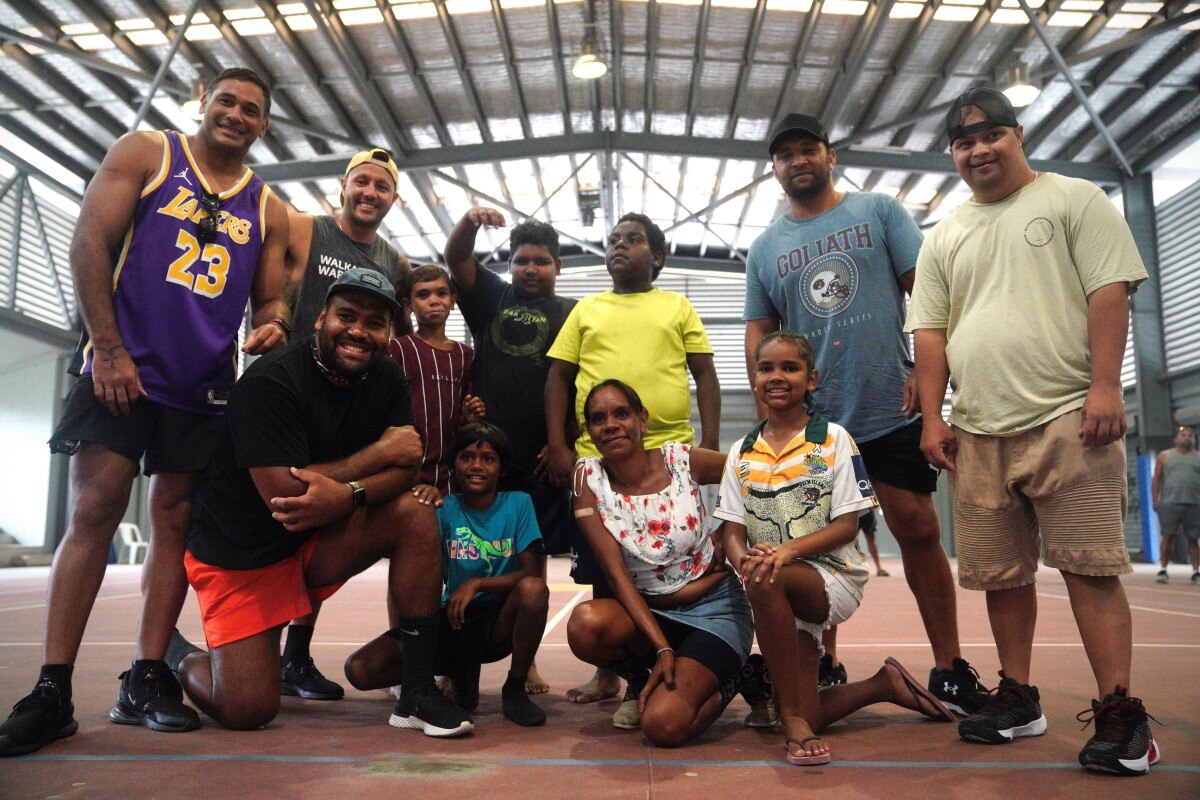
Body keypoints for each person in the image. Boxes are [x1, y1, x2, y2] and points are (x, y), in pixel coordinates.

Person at [0, 67, 291, 756]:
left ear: (264, 126)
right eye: (226, 101)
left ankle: (145, 674)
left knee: (172, 524)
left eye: (251, 109)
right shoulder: (147, 153)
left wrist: (274, 323)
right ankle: (52, 687)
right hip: (120, 371)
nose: (236, 115)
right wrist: (107, 347)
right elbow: (88, 244)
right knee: (94, 512)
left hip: (203, 388)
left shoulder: (269, 206)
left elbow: (270, 298)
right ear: (203, 104)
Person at [906, 87, 1158, 775]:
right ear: (954, 155)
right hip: (979, 429)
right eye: (963, 142)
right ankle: (1018, 698)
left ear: (1018, 135)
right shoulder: (947, 234)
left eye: (991, 134)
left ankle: (1119, 711)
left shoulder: (1074, 200)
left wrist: (1105, 386)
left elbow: (1109, 291)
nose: (978, 149)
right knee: (1000, 576)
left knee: (1090, 568)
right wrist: (933, 416)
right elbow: (930, 331)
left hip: (1067, 417)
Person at [742, 112, 988, 716]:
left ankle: (949, 667)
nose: (798, 160)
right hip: (813, 423)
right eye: (785, 155)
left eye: (808, 150)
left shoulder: (879, 211)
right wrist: (770, 413)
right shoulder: (766, 248)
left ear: (830, 156)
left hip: (886, 404)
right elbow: (758, 333)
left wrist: (930, 379)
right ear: (775, 170)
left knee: (919, 530)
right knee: (803, 542)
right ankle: (823, 664)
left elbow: (930, 296)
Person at [171, 267, 472, 738]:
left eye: (374, 322)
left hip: (314, 543)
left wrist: (347, 495)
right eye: (346, 316)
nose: (358, 331)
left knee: (415, 512)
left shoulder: (388, 378)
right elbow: (286, 497)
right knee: (248, 709)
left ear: (388, 332)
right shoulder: (272, 381)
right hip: (244, 555)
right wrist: (374, 458)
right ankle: (181, 655)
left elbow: (408, 467)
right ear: (319, 318)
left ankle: (416, 691)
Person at [715, 331, 953, 765]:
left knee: (768, 581)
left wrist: (783, 554)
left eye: (790, 368)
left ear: (812, 378)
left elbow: (846, 527)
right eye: (766, 368)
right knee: (812, 709)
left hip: (830, 577)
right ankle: (883, 685)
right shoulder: (740, 453)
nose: (777, 376)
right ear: (754, 379)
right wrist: (742, 560)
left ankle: (789, 718)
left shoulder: (835, 440)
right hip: (772, 584)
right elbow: (730, 529)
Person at [546, 213, 721, 718]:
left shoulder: (677, 304)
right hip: (599, 459)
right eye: (614, 240)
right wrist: (560, 446)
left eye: (633, 239)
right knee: (609, 566)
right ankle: (617, 675)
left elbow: (704, 373)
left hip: (668, 450)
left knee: (671, 558)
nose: (619, 246)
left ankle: (688, 645)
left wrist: (709, 441)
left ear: (658, 257)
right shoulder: (586, 309)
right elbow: (558, 378)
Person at [277, 148, 412, 703]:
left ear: (393, 199)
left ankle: (295, 655)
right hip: (288, 394)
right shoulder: (303, 229)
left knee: (323, 525)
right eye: (362, 182)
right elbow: (267, 284)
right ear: (343, 185)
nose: (370, 193)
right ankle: (240, 640)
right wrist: (271, 323)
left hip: (344, 404)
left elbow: (388, 332)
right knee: (274, 518)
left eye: (381, 186)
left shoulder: (395, 261)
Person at [565, 380, 768, 746]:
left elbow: (752, 473)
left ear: (642, 420)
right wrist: (661, 647)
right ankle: (643, 679)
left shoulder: (680, 460)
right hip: (650, 613)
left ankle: (744, 675)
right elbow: (615, 574)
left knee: (664, 727)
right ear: (590, 433)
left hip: (714, 609)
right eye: (598, 419)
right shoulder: (588, 479)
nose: (610, 424)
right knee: (585, 624)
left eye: (621, 413)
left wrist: (727, 529)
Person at [443, 208, 577, 696]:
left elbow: (578, 384)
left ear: (557, 266)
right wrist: (471, 221)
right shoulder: (491, 298)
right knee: (466, 556)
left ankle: (528, 662)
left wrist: (561, 442)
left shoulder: (572, 313)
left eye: (541, 261)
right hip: (485, 460)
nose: (530, 269)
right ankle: (451, 651)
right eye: (522, 260)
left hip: (540, 462)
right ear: (511, 265)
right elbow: (455, 256)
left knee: (531, 567)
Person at [343, 423, 549, 726]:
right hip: (452, 619)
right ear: (453, 466)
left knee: (533, 590)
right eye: (466, 457)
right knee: (360, 668)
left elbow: (531, 573)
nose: (476, 465)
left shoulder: (518, 503)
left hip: (498, 623)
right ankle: (449, 676)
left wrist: (476, 583)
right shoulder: (441, 507)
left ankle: (515, 690)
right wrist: (420, 499)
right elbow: (416, 568)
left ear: (502, 467)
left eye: (488, 458)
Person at [389, 264, 481, 496]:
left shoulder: (466, 355)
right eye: (423, 294)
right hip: (405, 475)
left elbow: (465, 420)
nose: (433, 300)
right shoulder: (398, 349)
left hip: (455, 476)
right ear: (408, 305)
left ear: (452, 300)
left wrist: (469, 417)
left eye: (441, 293)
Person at [1152, 425, 1200, 584]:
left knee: (1193, 538)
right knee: (1168, 536)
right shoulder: (1164, 456)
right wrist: (1155, 500)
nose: (1187, 438)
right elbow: (1156, 479)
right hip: (1169, 503)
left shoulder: (1198, 457)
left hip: (1194, 504)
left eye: (1189, 436)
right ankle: (1163, 570)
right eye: (1184, 435)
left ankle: (1195, 571)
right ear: (1176, 439)